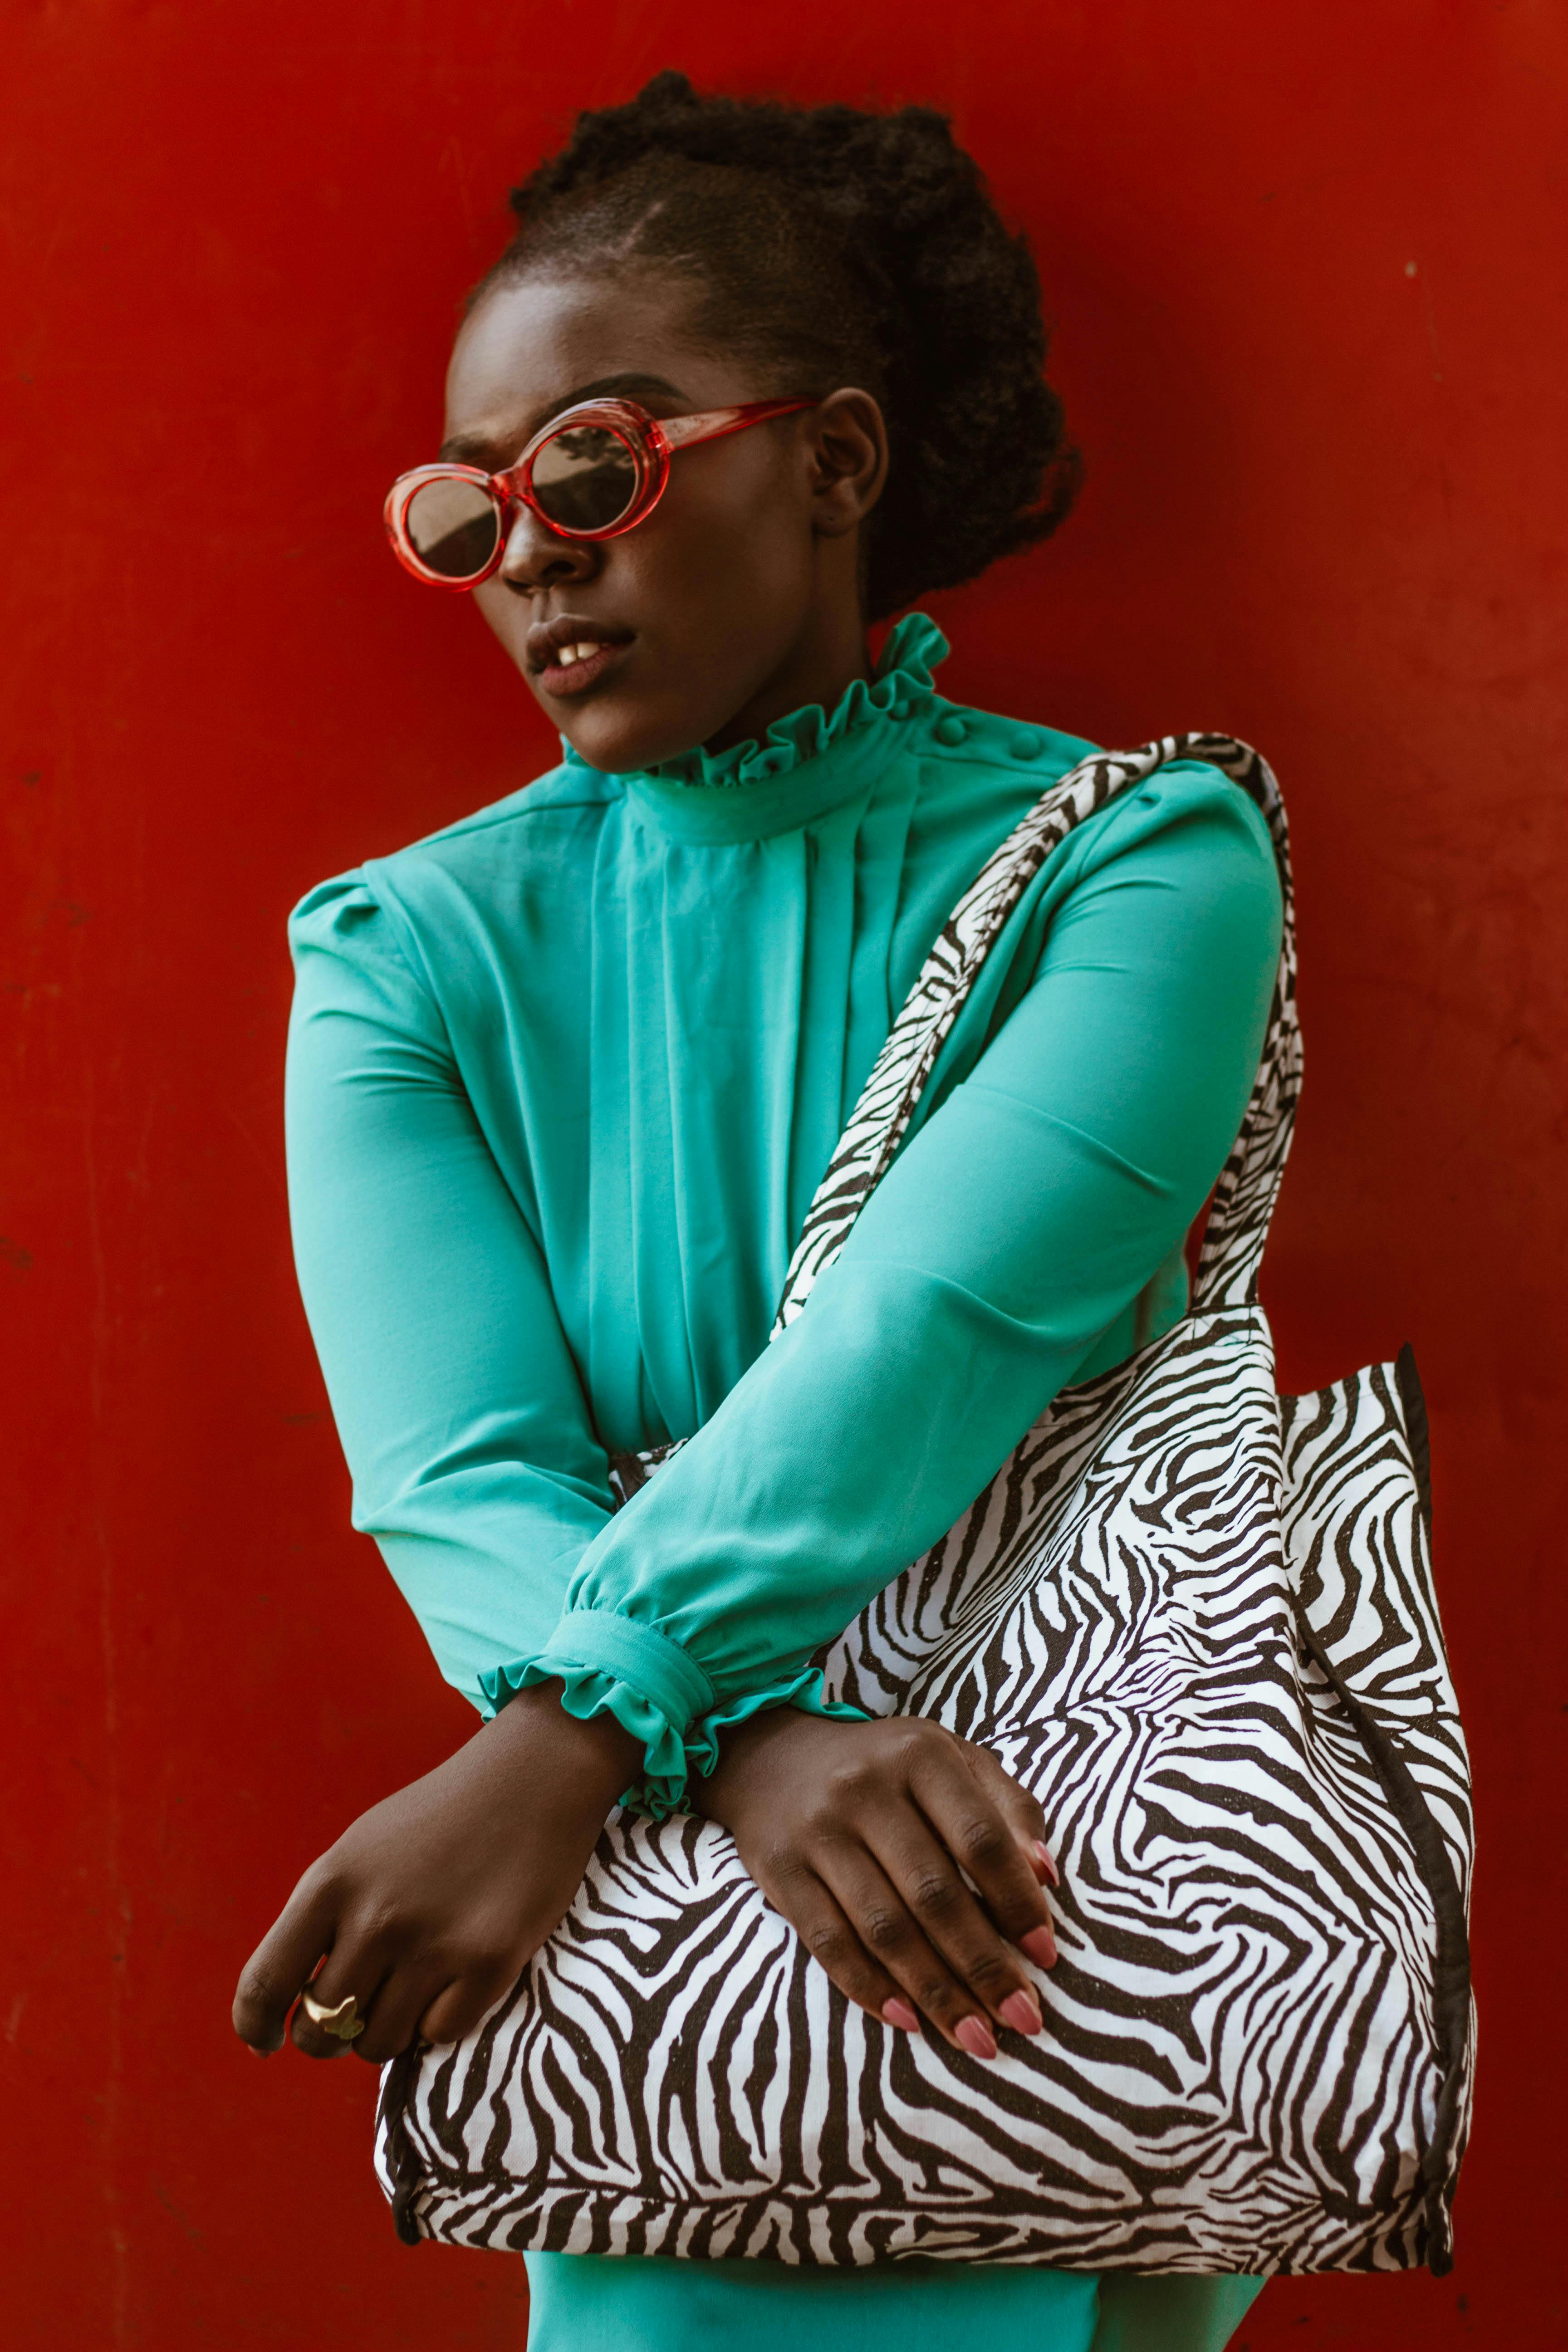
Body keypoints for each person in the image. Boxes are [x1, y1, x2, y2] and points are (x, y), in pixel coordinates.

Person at [232, 72, 1282, 2352]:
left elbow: (933, 1336)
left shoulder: (1143, 865)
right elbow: (455, 1475)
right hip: (679, 1966)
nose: (532, 551)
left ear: (832, 463)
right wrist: (750, 1748)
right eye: (469, 511)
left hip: (1047, 1921)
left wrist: (568, 1741)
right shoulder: (403, 957)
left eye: (594, 467)